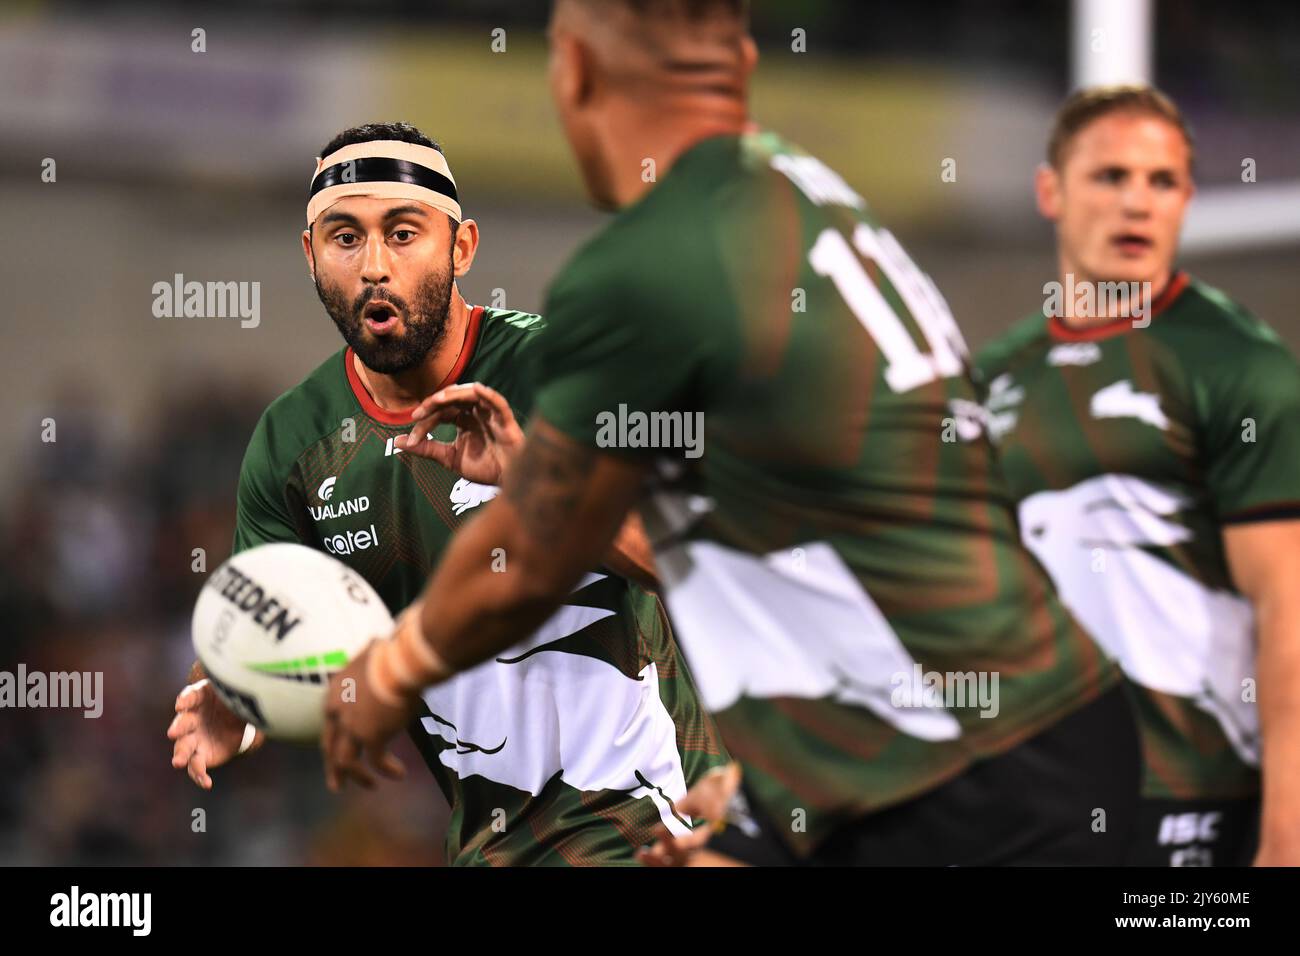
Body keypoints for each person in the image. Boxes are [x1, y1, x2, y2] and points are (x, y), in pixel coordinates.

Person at [322, 3, 1141, 867]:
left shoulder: (651, 262)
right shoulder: (809, 199)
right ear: (742, 59)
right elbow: (834, 524)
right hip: (1021, 745)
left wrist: (392, 668)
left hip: (964, 783)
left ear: (575, 73)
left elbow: (530, 559)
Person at [168, 121, 729, 866]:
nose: (373, 266)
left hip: (658, 831)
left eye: (402, 234)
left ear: (461, 246)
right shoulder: (292, 443)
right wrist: (234, 696)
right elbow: (267, 623)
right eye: (344, 237)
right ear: (310, 256)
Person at [975, 85, 1300, 867]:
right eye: (1111, 176)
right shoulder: (990, 378)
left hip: (1192, 800)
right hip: (1027, 798)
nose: (1138, 204)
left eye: (1163, 182)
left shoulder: (1242, 369)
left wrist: (1288, 839)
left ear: (1189, 197)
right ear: (1050, 191)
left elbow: (1288, 608)